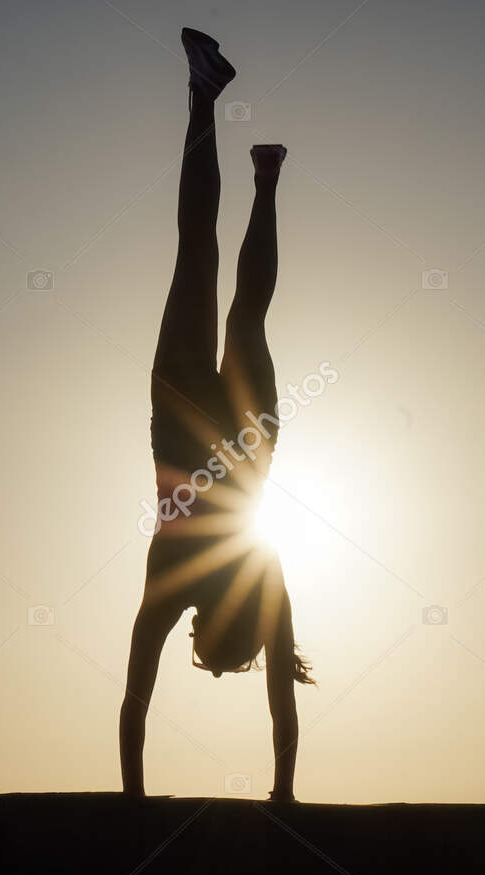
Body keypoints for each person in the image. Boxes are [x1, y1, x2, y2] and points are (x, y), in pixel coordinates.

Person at [120, 28, 314, 803]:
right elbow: (134, 707)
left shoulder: (263, 578)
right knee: (195, 251)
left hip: (247, 433)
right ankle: (203, 95)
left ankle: (266, 179)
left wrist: (284, 791)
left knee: (247, 315)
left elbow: (283, 713)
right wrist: (133, 798)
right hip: (178, 409)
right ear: (202, 628)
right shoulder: (172, 581)